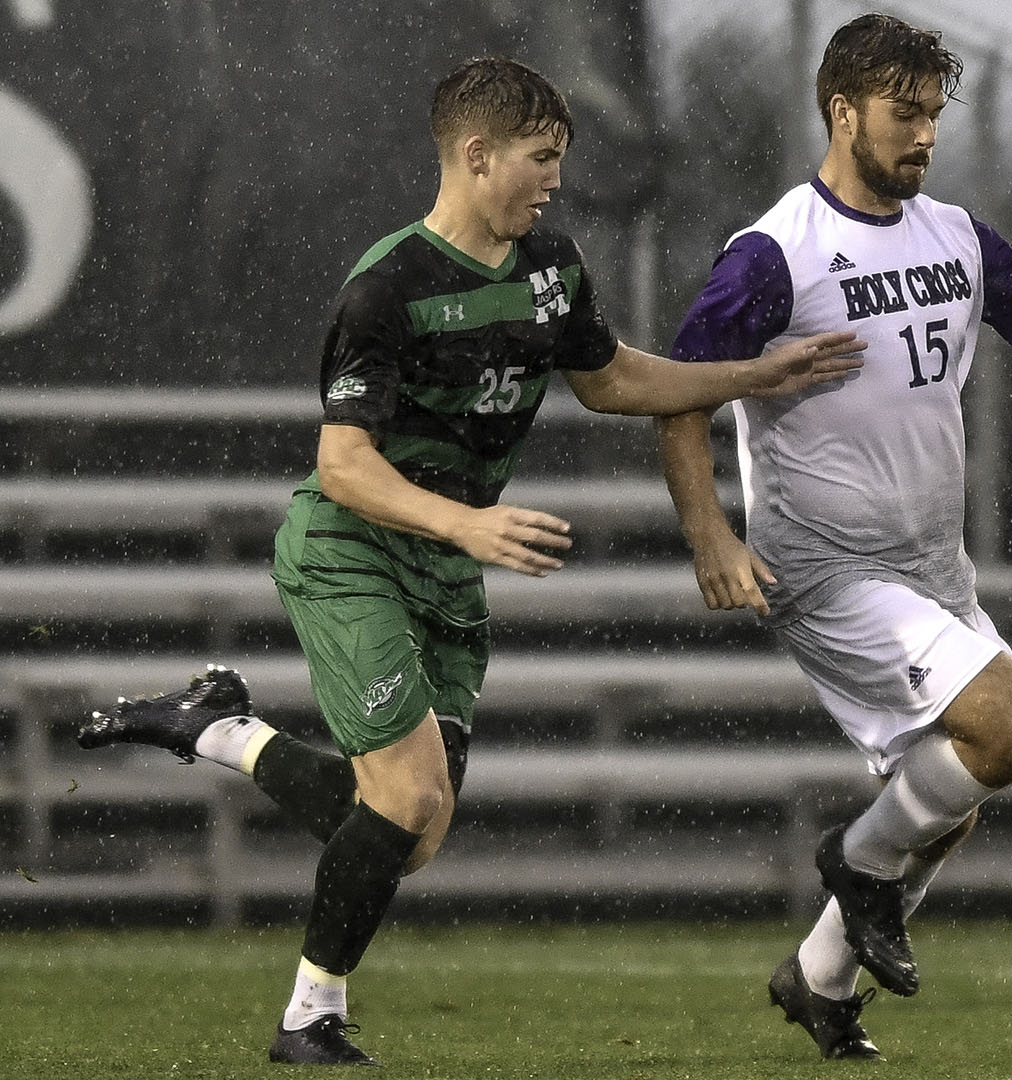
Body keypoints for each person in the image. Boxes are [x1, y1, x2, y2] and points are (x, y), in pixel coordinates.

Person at [75, 55, 861, 1066]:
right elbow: (343, 465)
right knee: (404, 801)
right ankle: (310, 1019)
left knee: (412, 832)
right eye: (541, 157)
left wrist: (751, 374)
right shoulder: (388, 286)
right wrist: (464, 524)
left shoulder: (550, 267)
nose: (556, 180)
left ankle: (216, 727)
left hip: (444, 567)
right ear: (477, 154)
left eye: (561, 158)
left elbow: (611, 379)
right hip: (352, 551)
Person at [658, 12, 1012, 1061]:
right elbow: (678, 393)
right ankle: (858, 865)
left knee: (952, 799)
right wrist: (710, 537)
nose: (924, 134)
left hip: (929, 563)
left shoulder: (957, 237)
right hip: (824, 565)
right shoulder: (776, 253)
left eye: (932, 115)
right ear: (842, 112)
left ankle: (820, 978)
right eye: (903, 113)